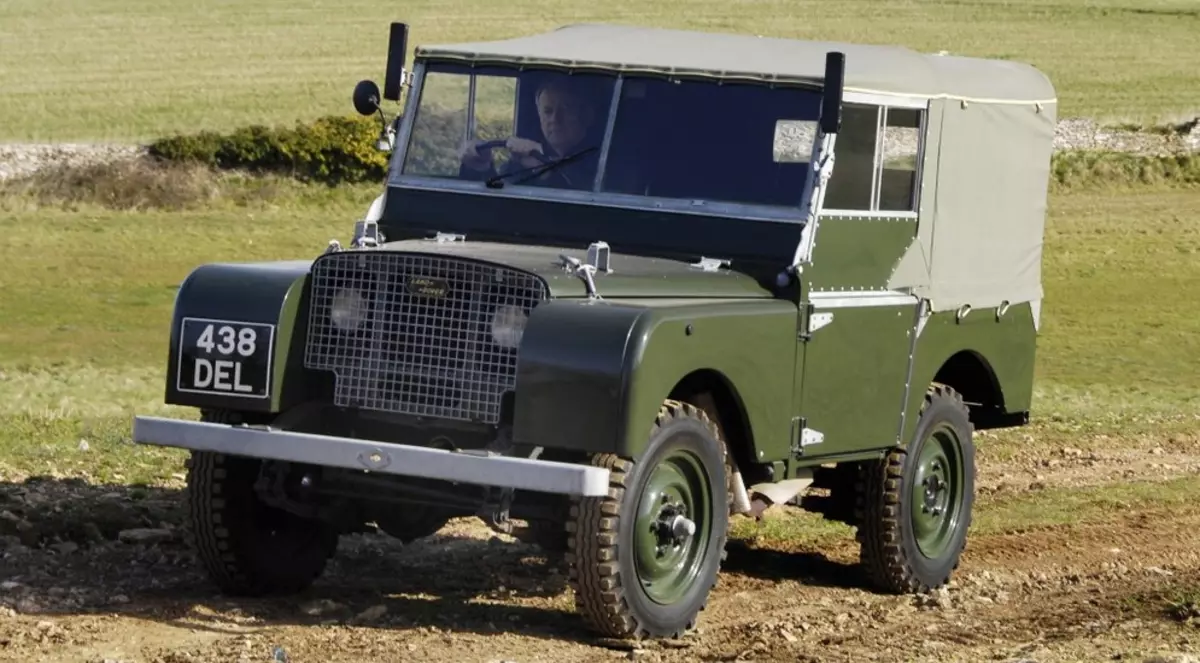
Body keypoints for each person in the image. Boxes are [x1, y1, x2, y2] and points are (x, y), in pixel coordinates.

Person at [457, 77, 602, 190]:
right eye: (547, 111)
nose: (555, 119)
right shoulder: (523, 163)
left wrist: (547, 170)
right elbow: (496, 205)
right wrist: (481, 167)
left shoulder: (603, 161)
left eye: (566, 109)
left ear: (588, 115)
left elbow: (586, 204)